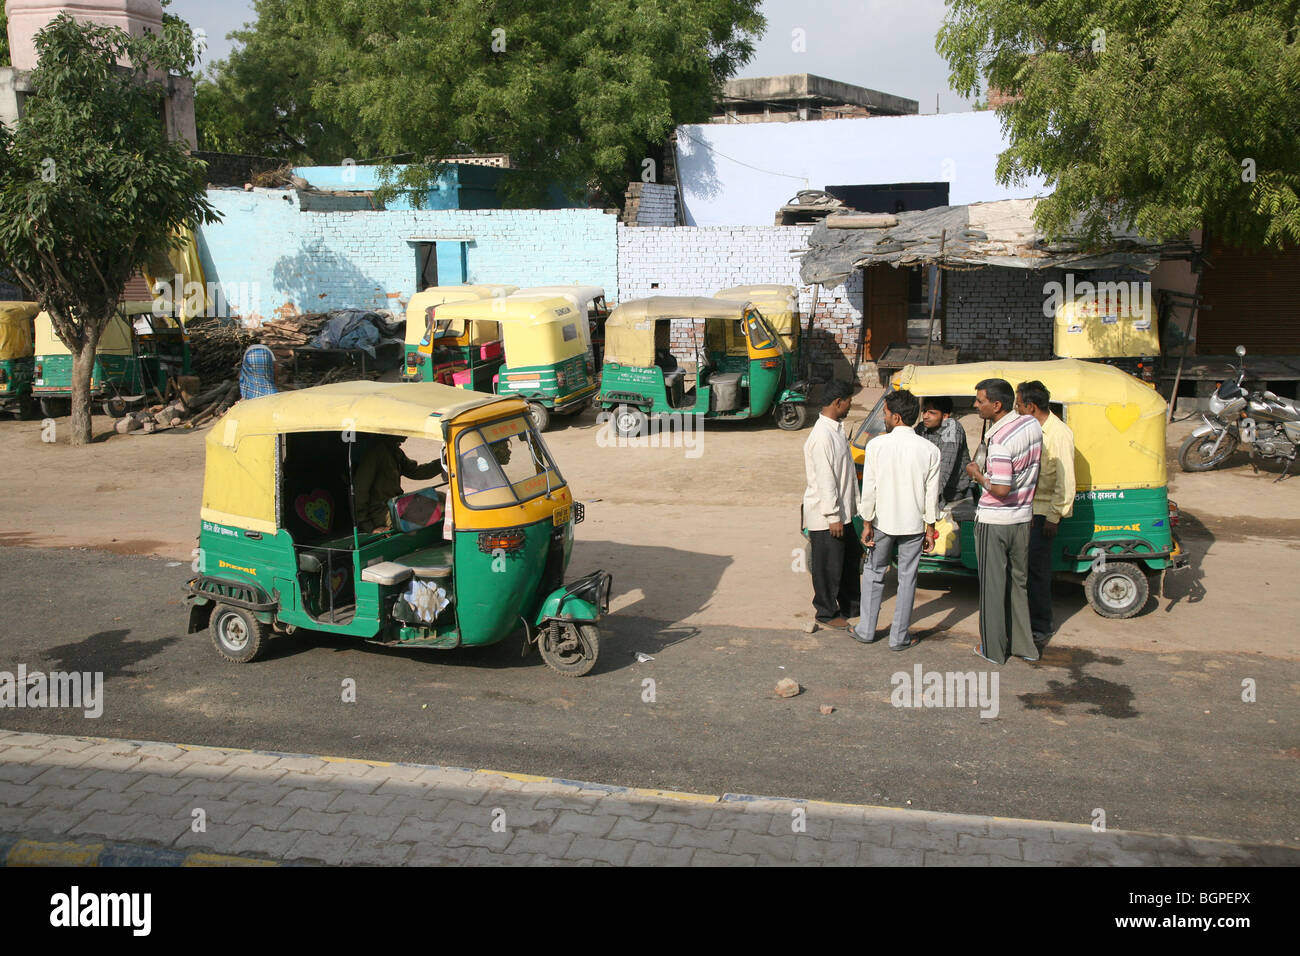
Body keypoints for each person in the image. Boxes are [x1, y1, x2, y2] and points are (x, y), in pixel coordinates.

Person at [851, 389, 940, 650]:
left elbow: (870, 489)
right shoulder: (929, 450)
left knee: (874, 573)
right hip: (913, 525)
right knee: (907, 578)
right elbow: (930, 496)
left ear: (897, 417)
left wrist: (867, 522)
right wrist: (930, 528)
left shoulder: (877, 445)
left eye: (886, 413)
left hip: (881, 523)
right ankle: (899, 637)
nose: (885, 417)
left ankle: (866, 630)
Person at [964, 378, 1042, 664]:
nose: (975, 405)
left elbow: (999, 489)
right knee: (1018, 584)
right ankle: (1024, 646)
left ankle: (993, 650)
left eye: (980, 401)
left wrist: (976, 474)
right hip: (1023, 518)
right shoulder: (1031, 425)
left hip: (995, 521)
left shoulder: (1000, 441)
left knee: (992, 588)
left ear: (996, 405)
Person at [1015, 380, 1076, 648]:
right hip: (1027, 508)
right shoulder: (1032, 429)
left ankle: (1042, 625)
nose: (1016, 409)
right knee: (1025, 569)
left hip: (1043, 513)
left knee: (1037, 571)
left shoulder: (1058, 433)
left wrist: (1055, 515)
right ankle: (1027, 620)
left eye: (1018, 405)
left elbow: (1065, 480)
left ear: (1031, 406)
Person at [802, 380, 860, 628]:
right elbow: (825, 480)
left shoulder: (835, 430)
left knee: (848, 560)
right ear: (838, 403)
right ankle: (826, 612)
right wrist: (833, 515)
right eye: (849, 401)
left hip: (842, 512)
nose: (850, 405)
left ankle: (850, 606)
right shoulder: (822, 437)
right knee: (827, 566)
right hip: (828, 516)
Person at [353, 435, 444, 533]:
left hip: (395, 505)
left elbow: (416, 471)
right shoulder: (376, 452)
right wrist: (369, 527)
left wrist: (443, 462)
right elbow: (359, 491)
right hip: (381, 513)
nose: (407, 434)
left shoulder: (395, 451)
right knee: (427, 514)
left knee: (442, 498)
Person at [914, 396, 972, 506]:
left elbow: (944, 468)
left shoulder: (952, 429)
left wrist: (930, 504)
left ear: (945, 416)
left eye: (932, 413)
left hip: (951, 491)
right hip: (926, 487)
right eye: (924, 411)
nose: (925, 416)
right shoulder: (921, 428)